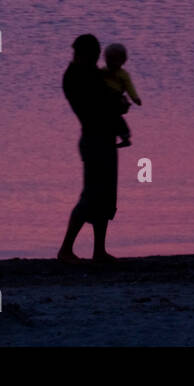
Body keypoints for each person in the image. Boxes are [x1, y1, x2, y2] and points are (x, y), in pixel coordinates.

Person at [58, 34, 132, 263]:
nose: (96, 60)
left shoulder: (89, 73)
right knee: (91, 195)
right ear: (85, 54)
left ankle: (99, 250)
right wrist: (118, 105)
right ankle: (66, 249)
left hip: (104, 138)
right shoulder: (76, 77)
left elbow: (107, 100)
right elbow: (98, 105)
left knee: (106, 196)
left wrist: (120, 122)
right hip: (93, 139)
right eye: (94, 56)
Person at [101, 42, 139, 148]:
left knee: (116, 117)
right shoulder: (103, 71)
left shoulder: (123, 74)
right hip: (105, 97)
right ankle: (111, 134)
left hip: (116, 98)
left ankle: (125, 137)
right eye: (108, 60)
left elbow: (129, 87)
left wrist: (135, 98)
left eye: (113, 60)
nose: (109, 63)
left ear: (122, 61)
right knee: (108, 117)